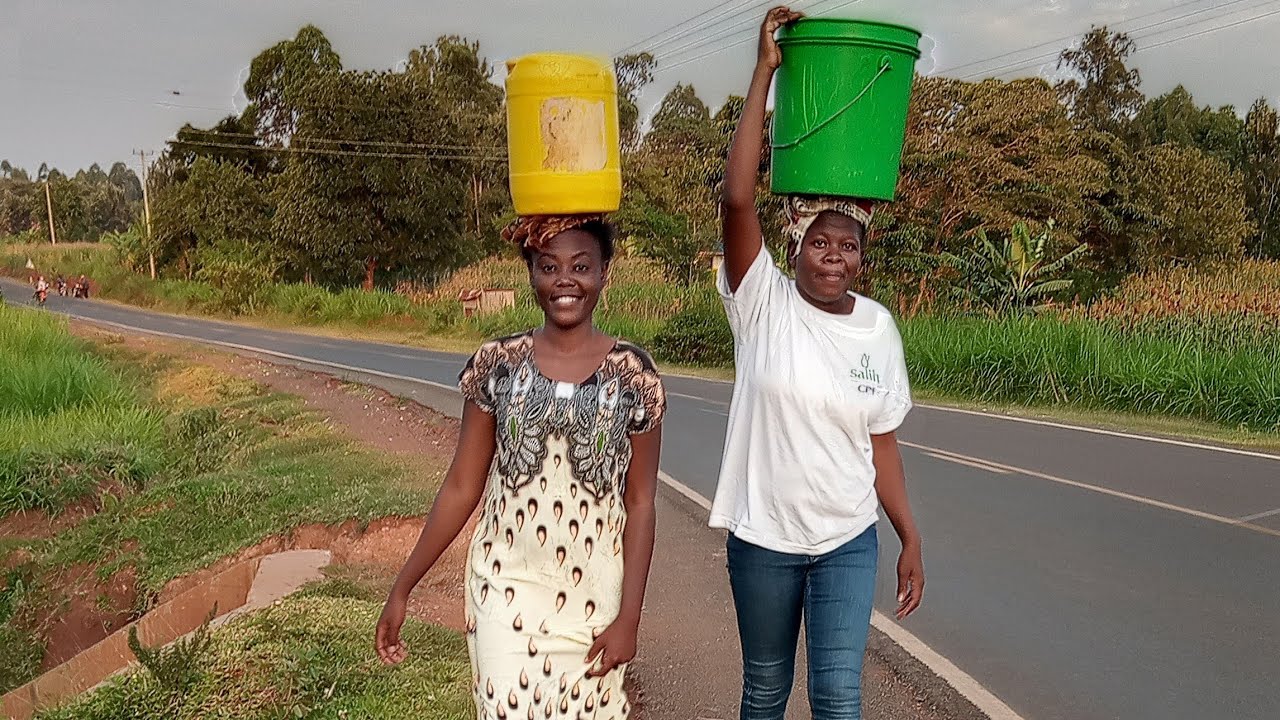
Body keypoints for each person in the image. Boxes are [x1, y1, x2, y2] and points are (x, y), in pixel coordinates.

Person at [712, 7, 925, 720]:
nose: (834, 257)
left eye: (849, 246)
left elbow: (881, 441)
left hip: (846, 538)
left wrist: (909, 535)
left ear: (862, 256)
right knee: (766, 691)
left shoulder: (878, 329)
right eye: (819, 243)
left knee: (838, 697)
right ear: (796, 243)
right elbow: (738, 196)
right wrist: (766, 71)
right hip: (765, 538)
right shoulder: (762, 303)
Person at [375, 215, 666, 720]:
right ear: (531, 274)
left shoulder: (635, 375)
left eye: (581, 266)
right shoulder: (498, 365)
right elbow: (463, 486)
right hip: (504, 589)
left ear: (605, 273)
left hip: (592, 598)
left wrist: (630, 619)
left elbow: (640, 502)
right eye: (548, 267)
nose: (565, 280)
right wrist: (404, 585)